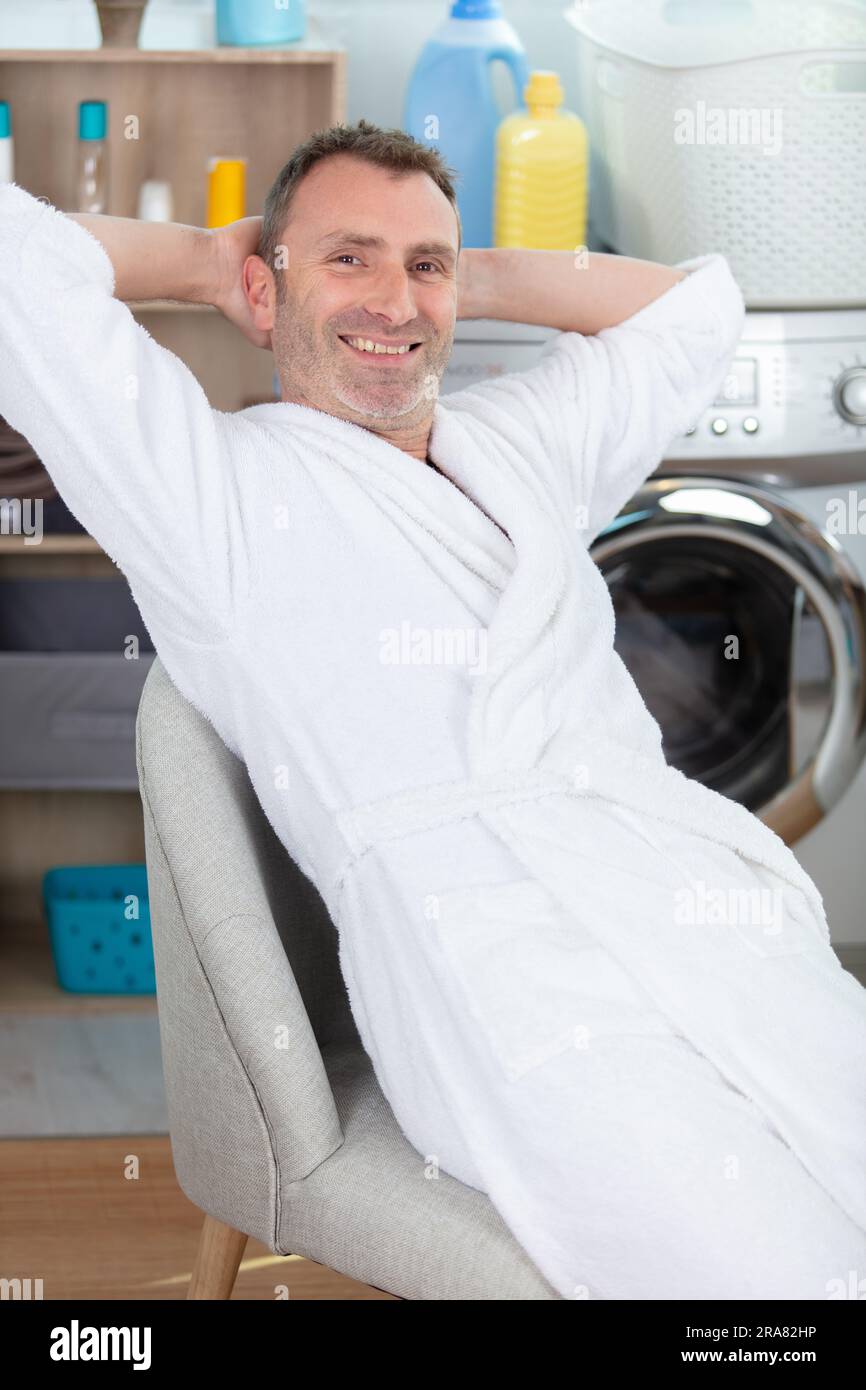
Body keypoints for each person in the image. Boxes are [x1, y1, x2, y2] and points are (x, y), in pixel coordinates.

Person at [2, 119, 865, 1300]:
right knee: (763, 1275)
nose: (391, 303)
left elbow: (694, 311)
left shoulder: (515, 443)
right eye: (345, 258)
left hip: (687, 912)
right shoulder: (210, 497)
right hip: (492, 971)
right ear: (268, 286)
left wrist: (453, 276)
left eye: (423, 263)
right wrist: (214, 261)